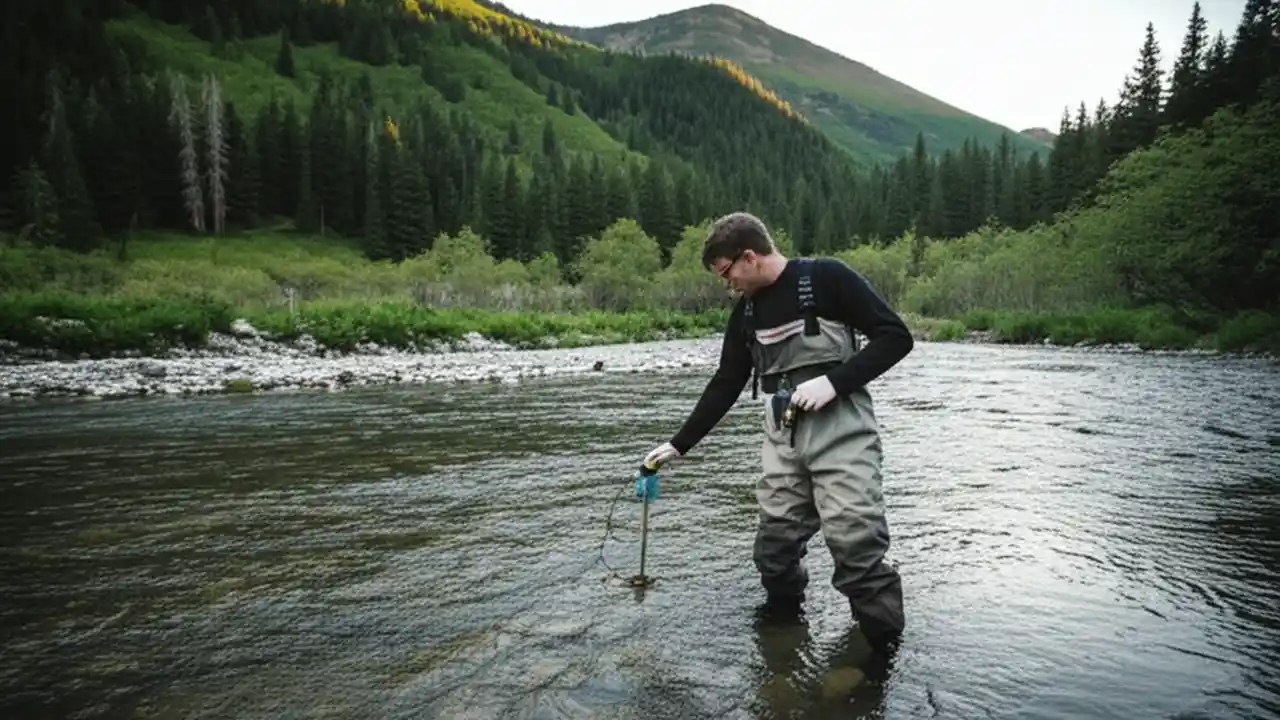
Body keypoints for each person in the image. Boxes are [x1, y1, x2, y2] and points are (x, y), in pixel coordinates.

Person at [642, 211, 914, 655]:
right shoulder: (745, 311)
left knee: (856, 547)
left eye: (727, 274)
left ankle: (880, 658)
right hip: (781, 437)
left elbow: (896, 337)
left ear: (749, 257)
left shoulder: (827, 278)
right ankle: (784, 640)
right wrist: (678, 444)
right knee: (774, 550)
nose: (727, 285)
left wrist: (833, 382)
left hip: (842, 428)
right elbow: (727, 382)